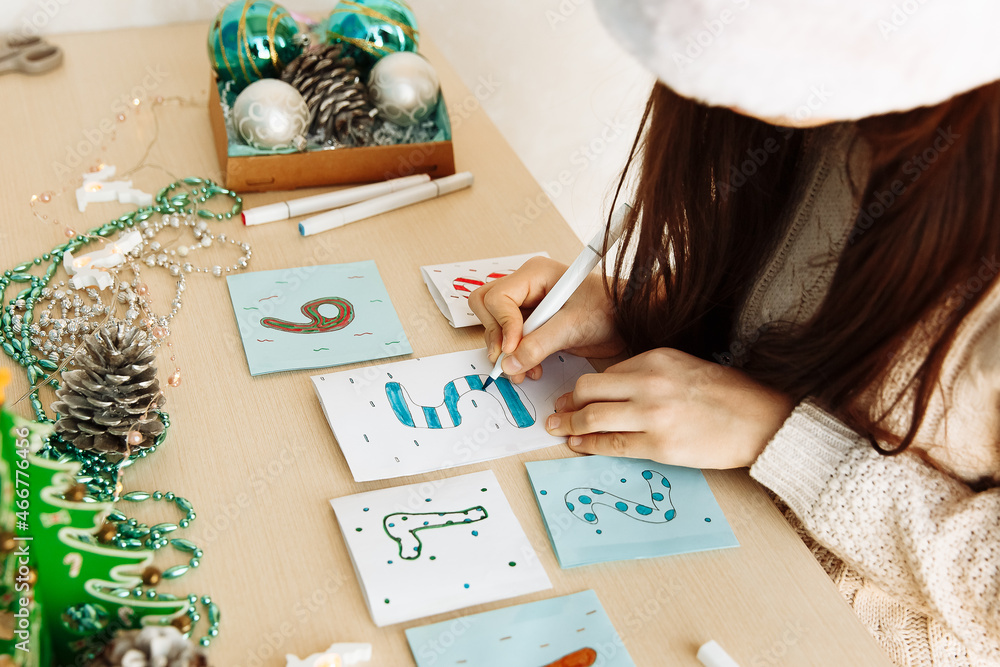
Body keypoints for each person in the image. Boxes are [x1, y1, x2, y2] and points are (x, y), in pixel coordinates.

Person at [469, 1, 1000, 665]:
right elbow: (798, 311)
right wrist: (641, 310)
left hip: (844, 635)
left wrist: (778, 437)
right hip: (706, 540)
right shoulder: (800, 101)